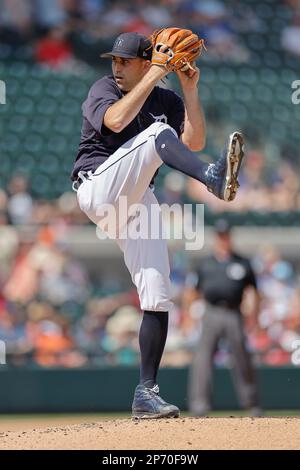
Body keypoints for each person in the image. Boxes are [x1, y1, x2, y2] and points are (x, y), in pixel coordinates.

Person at [71, 31, 245, 419]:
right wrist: (154, 73)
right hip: (97, 187)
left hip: (134, 200)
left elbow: (194, 141)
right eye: (114, 60)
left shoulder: (166, 99)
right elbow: (115, 122)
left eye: (125, 61)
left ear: (144, 62)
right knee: (157, 134)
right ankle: (213, 179)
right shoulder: (103, 89)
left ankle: (146, 393)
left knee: (157, 291)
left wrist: (188, 87)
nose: (116, 67)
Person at [187, 219, 261, 417]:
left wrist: (254, 317)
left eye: (226, 235)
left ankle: (251, 403)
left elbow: (254, 291)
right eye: (220, 235)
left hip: (234, 312)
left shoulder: (242, 262)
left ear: (230, 237)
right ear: (215, 238)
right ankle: (200, 405)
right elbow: (192, 291)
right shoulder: (205, 264)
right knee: (203, 359)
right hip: (211, 312)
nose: (223, 239)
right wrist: (188, 317)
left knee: (242, 358)